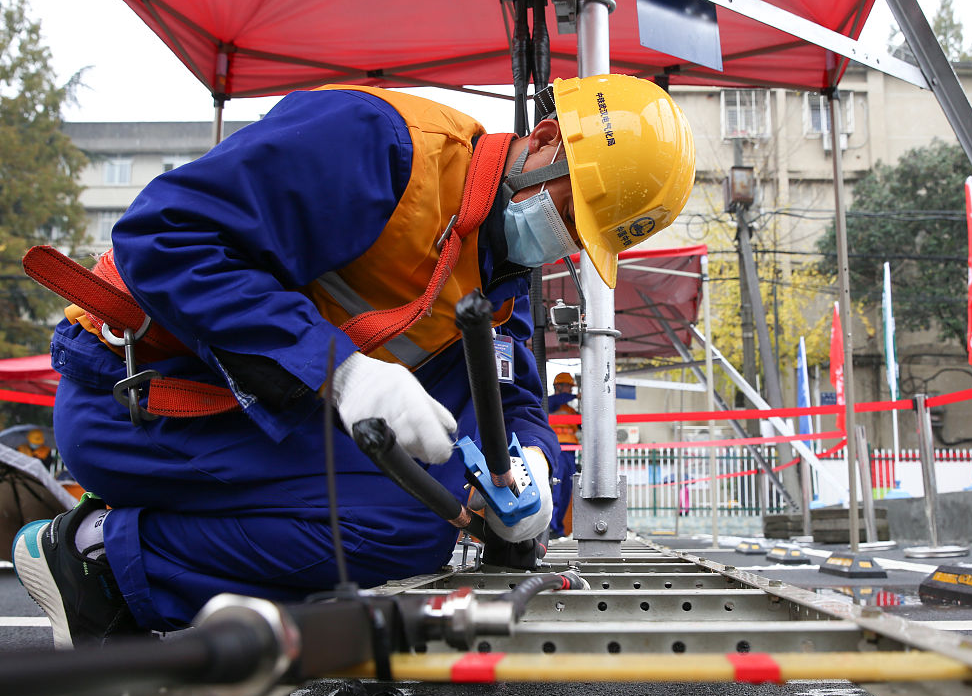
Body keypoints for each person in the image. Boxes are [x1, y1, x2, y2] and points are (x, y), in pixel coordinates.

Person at [13, 74, 695, 648]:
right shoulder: (380, 145)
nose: (564, 241)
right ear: (546, 141)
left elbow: (507, 387)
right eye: (574, 215)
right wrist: (339, 370)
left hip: (235, 420)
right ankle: (101, 559)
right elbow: (162, 240)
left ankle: (154, 570)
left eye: (585, 238)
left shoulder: (494, 263)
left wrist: (538, 468)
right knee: (403, 523)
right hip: (137, 401)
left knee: (421, 515)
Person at [546, 372, 580, 536]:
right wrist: (575, 395)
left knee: (566, 489)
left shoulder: (570, 410)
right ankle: (551, 527)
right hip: (557, 450)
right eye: (567, 386)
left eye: (570, 387)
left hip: (570, 452)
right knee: (556, 488)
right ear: (558, 387)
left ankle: (558, 528)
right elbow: (557, 400)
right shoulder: (551, 403)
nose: (568, 389)